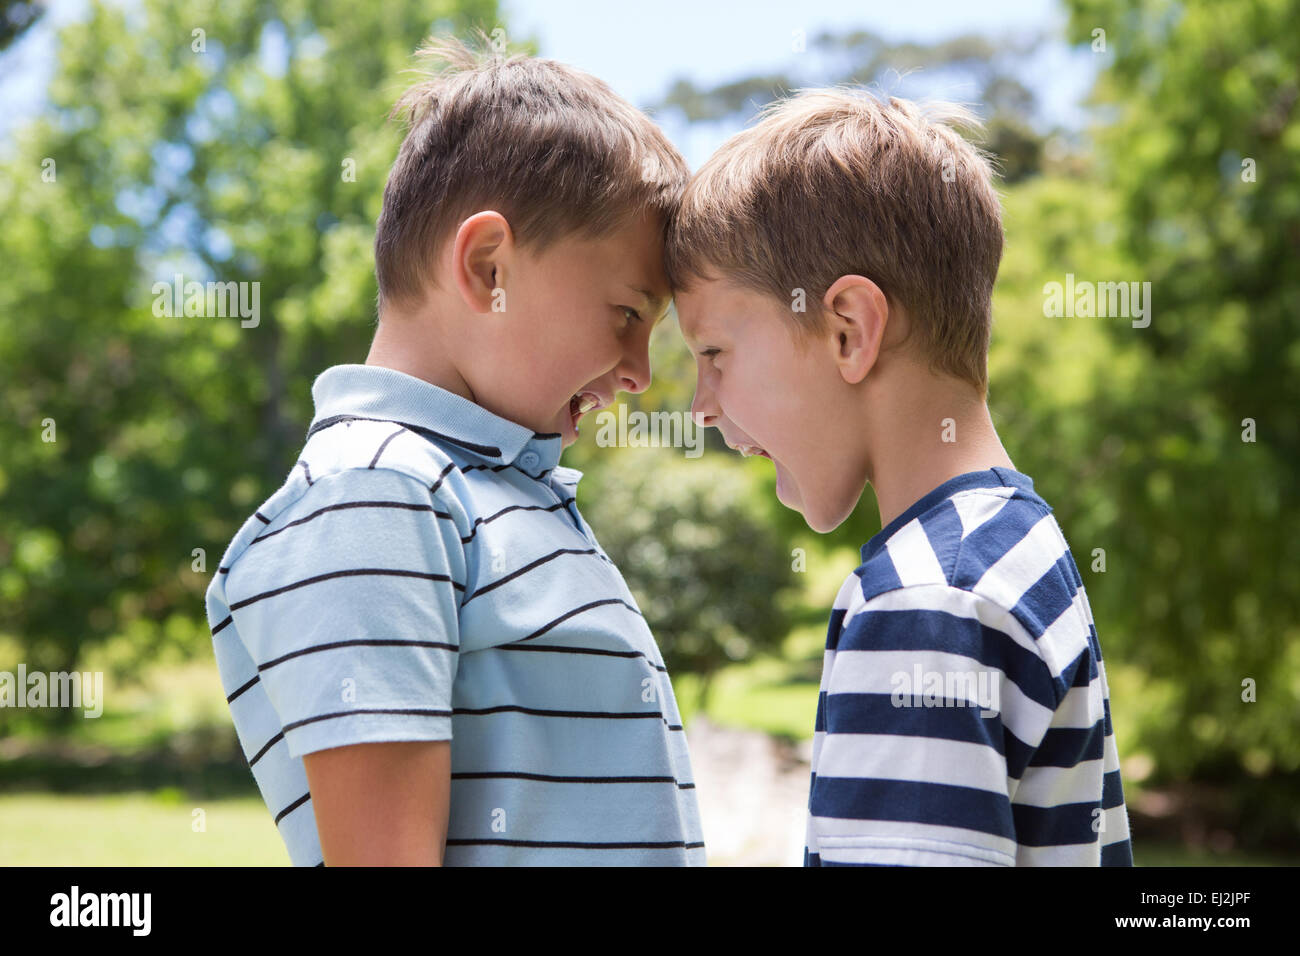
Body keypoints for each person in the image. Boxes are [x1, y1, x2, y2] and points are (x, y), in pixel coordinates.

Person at [205, 35, 704, 866]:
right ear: (487, 267)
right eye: (626, 313)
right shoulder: (372, 497)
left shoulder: (487, 488)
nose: (641, 373)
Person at [666, 88, 1133, 865]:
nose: (700, 407)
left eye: (713, 354)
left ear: (849, 330)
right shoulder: (1015, 544)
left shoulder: (925, 603)